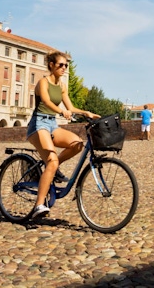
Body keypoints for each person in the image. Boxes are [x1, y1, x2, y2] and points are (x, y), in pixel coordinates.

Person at [25, 51, 100, 221]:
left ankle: (53, 170)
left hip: (52, 124)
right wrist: (61, 111)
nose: (64, 68)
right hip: (38, 125)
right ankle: (39, 205)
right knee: (52, 161)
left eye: (66, 65)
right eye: (61, 65)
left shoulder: (62, 86)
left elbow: (70, 107)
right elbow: (46, 101)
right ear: (51, 65)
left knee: (77, 144)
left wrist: (86, 112)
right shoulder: (43, 82)